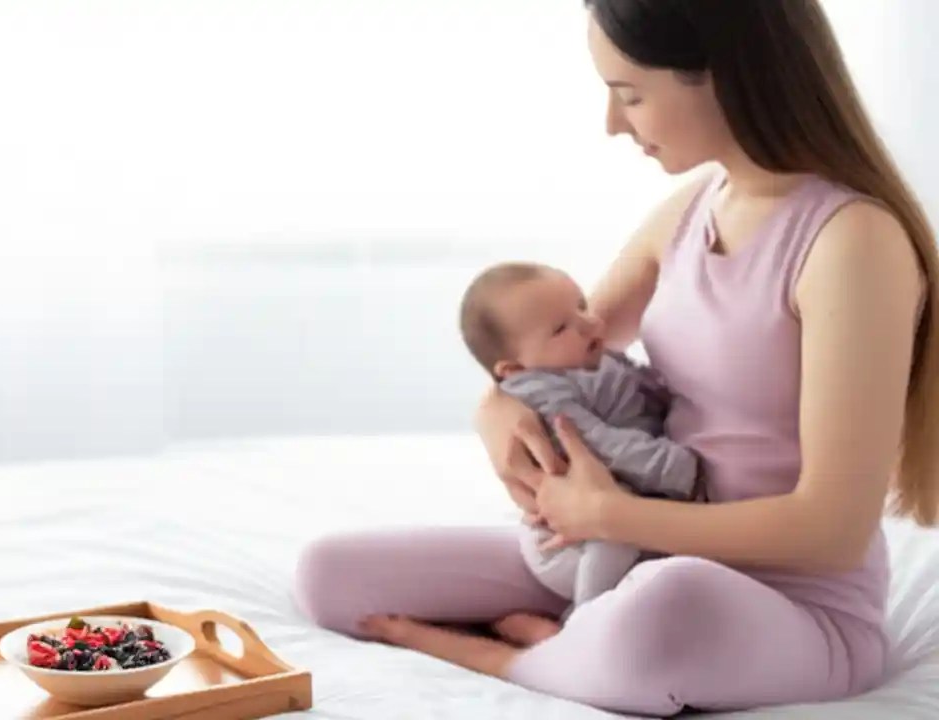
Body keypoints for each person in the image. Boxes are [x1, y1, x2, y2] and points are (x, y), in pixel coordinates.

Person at [292, 0, 939, 715]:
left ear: (725, 75)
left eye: (629, 93)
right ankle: (580, 639)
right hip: (627, 552)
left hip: (785, 604)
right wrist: (495, 409)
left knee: (666, 606)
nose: (611, 122)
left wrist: (608, 515)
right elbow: (560, 350)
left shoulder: (852, 242)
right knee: (332, 577)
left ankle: (506, 654)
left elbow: (833, 533)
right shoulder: (694, 208)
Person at [458, 261, 701, 625]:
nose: (589, 322)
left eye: (582, 305)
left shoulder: (589, 362)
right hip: (568, 544)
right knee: (615, 540)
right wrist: (671, 467)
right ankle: (582, 622)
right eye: (560, 328)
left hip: (618, 512)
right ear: (513, 369)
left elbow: (645, 391)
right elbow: (595, 443)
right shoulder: (540, 393)